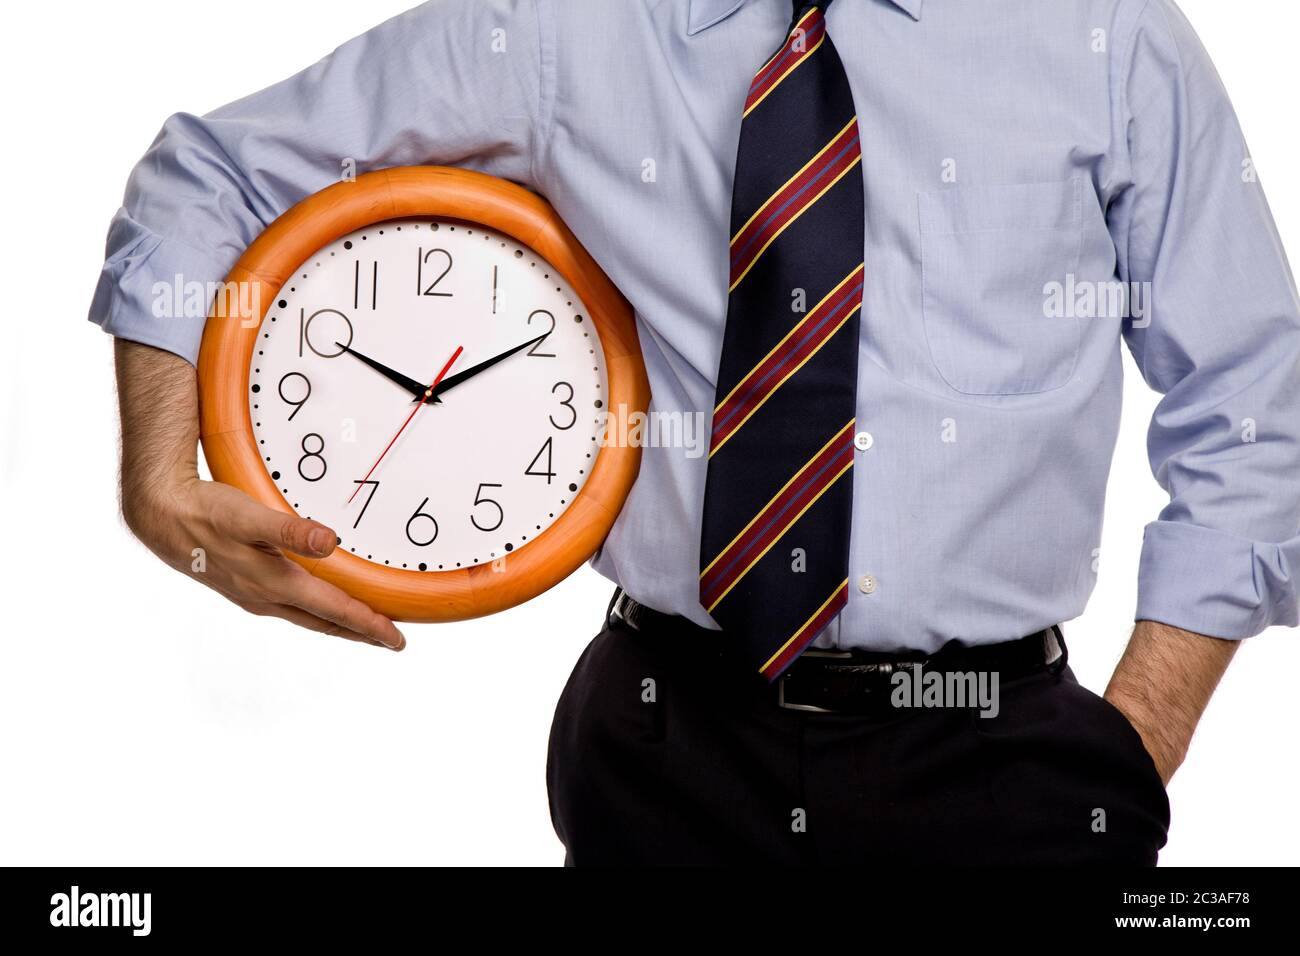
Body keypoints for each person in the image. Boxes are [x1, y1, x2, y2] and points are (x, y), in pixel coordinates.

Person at [91, 0, 1300, 865]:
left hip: (1004, 762)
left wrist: (1143, 729)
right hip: (666, 746)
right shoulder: (567, 30)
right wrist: (155, 475)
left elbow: (1254, 392)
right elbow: (209, 172)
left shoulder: (1109, 33)